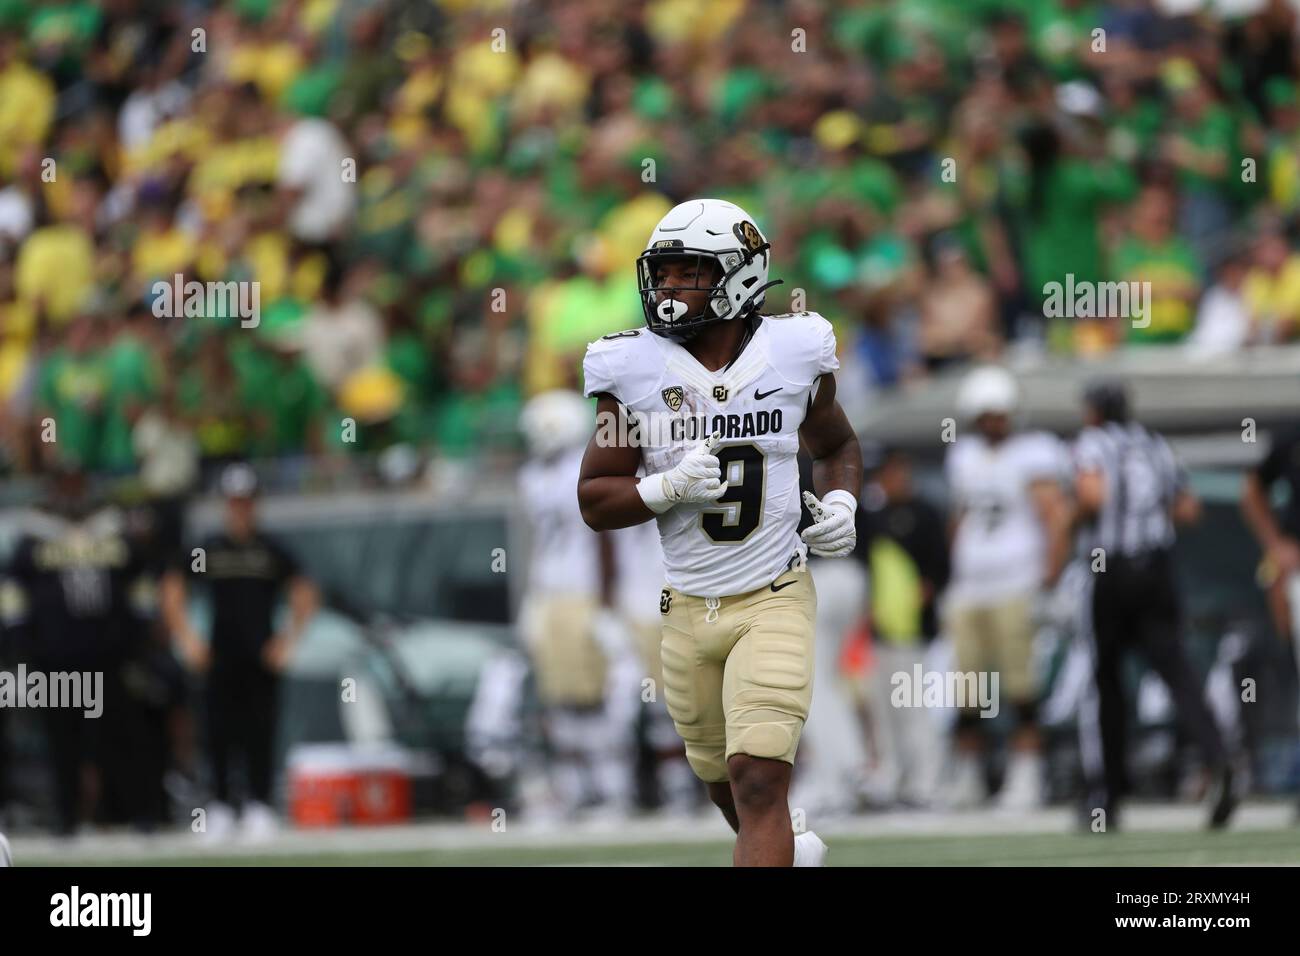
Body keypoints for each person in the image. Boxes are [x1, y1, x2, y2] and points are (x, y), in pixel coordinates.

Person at [577, 198, 862, 866]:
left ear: (737, 276)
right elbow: (595, 496)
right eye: (663, 272)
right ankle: (793, 850)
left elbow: (837, 443)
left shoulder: (794, 351)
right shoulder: (633, 369)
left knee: (758, 775)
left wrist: (843, 501)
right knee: (720, 781)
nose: (668, 288)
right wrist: (664, 487)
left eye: (687, 273)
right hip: (685, 605)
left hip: (773, 593)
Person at [1073, 380, 1236, 830]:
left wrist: (1067, 523)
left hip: (1112, 569)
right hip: (1157, 570)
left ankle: (1109, 793)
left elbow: (1091, 496)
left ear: (1095, 412)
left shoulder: (1094, 442)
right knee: (1178, 672)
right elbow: (1190, 510)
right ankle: (1217, 755)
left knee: (1108, 681)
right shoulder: (1155, 444)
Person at [160, 463, 318, 841]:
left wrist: (288, 641)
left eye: (246, 501)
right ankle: (219, 806)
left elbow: (304, 592)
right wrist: (187, 639)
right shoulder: (209, 550)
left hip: (261, 656)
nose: (241, 509)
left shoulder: (270, 550)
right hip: (219, 655)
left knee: (260, 732)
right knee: (217, 734)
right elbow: (172, 587)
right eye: (234, 502)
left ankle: (259, 805)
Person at [943, 366, 1071, 810]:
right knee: (968, 690)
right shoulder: (962, 456)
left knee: (1021, 688)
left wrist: (1050, 577)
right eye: (986, 415)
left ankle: (1027, 774)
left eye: (1000, 414)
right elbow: (959, 519)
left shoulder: (1034, 452)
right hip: (971, 586)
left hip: (1017, 581)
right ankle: (970, 775)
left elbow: (1054, 515)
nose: (994, 422)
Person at [516, 389, 634, 821]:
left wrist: (607, 604)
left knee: (595, 698)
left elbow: (602, 536)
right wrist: (533, 598)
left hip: (583, 593)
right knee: (561, 699)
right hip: (551, 594)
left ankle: (611, 792)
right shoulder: (532, 476)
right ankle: (575, 792)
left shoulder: (579, 471)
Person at [856, 447, 950, 808]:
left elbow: (939, 569)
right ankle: (894, 780)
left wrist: (920, 598)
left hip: (912, 631)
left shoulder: (924, 513)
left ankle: (926, 784)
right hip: (880, 630)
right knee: (884, 712)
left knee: (913, 708)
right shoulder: (874, 517)